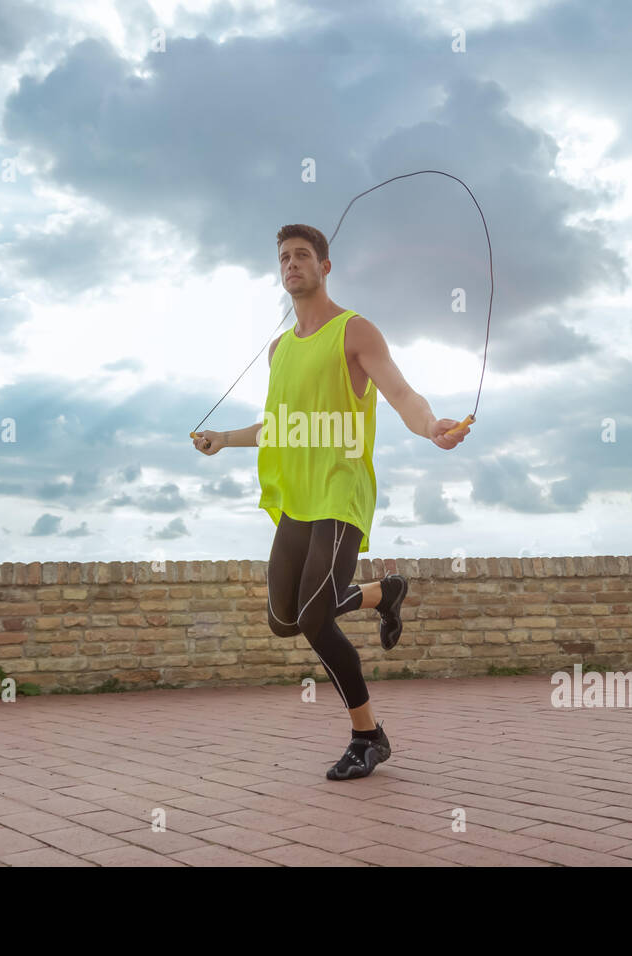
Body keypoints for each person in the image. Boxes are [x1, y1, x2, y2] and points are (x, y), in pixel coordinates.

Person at [193, 223, 469, 780]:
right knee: (283, 619)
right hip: (297, 497)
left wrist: (430, 427)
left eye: (302, 256)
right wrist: (224, 438)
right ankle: (384, 593)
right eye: (284, 258)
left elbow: (400, 393)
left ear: (325, 266)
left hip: (341, 494)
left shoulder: (355, 331)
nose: (291, 264)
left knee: (316, 621)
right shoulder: (278, 351)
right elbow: (278, 425)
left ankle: (368, 736)